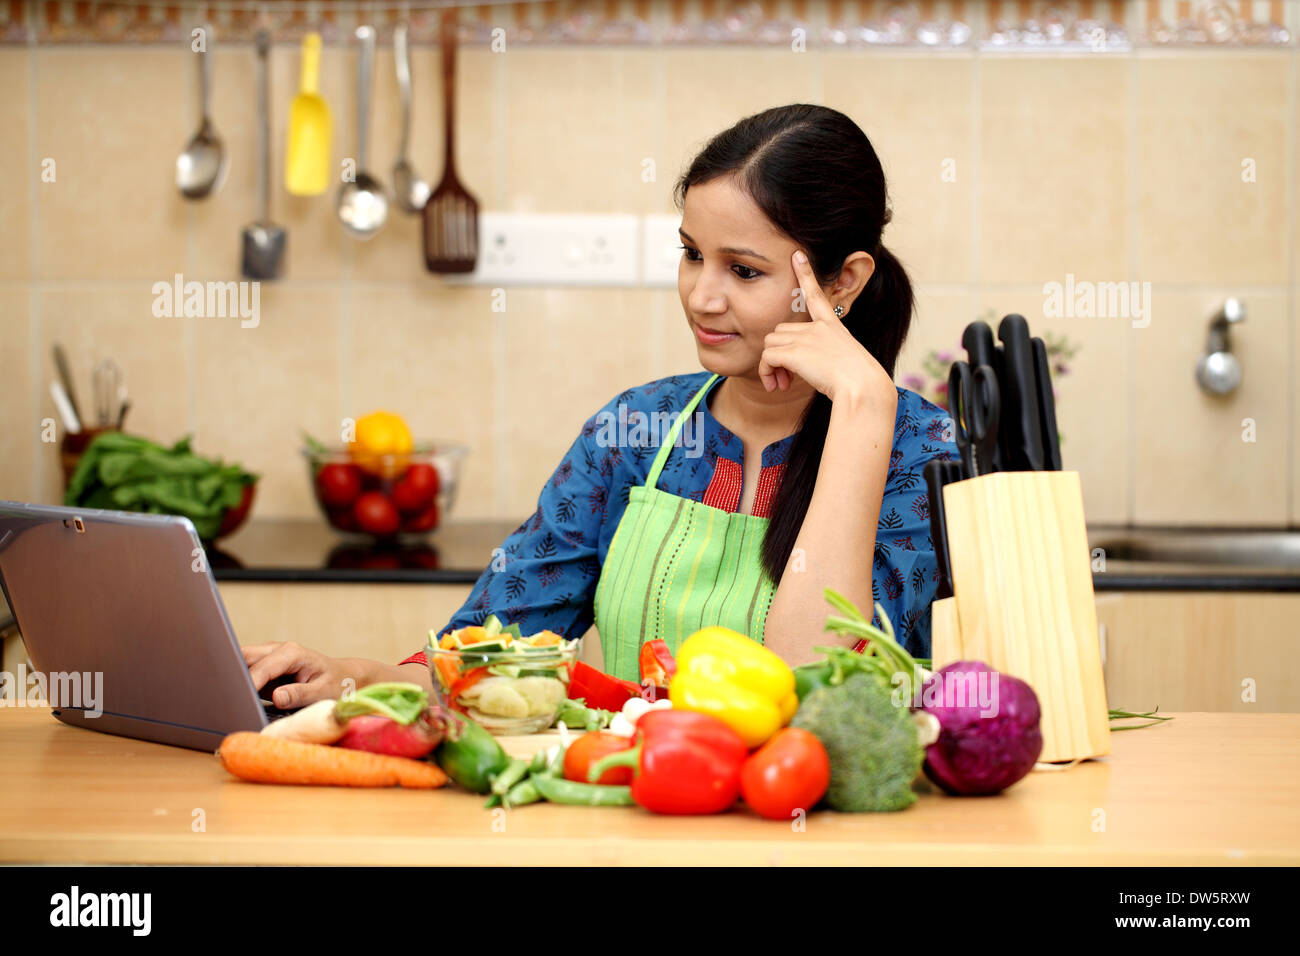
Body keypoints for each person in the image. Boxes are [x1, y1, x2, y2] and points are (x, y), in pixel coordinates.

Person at [245, 103, 959, 708]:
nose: (702, 296)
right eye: (691, 254)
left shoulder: (920, 452)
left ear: (844, 281)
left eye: (743, 270)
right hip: (624, 811)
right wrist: (352, 679)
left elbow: (826, 697)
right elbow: (494, 654)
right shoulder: (635, 433)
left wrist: (864, 404)